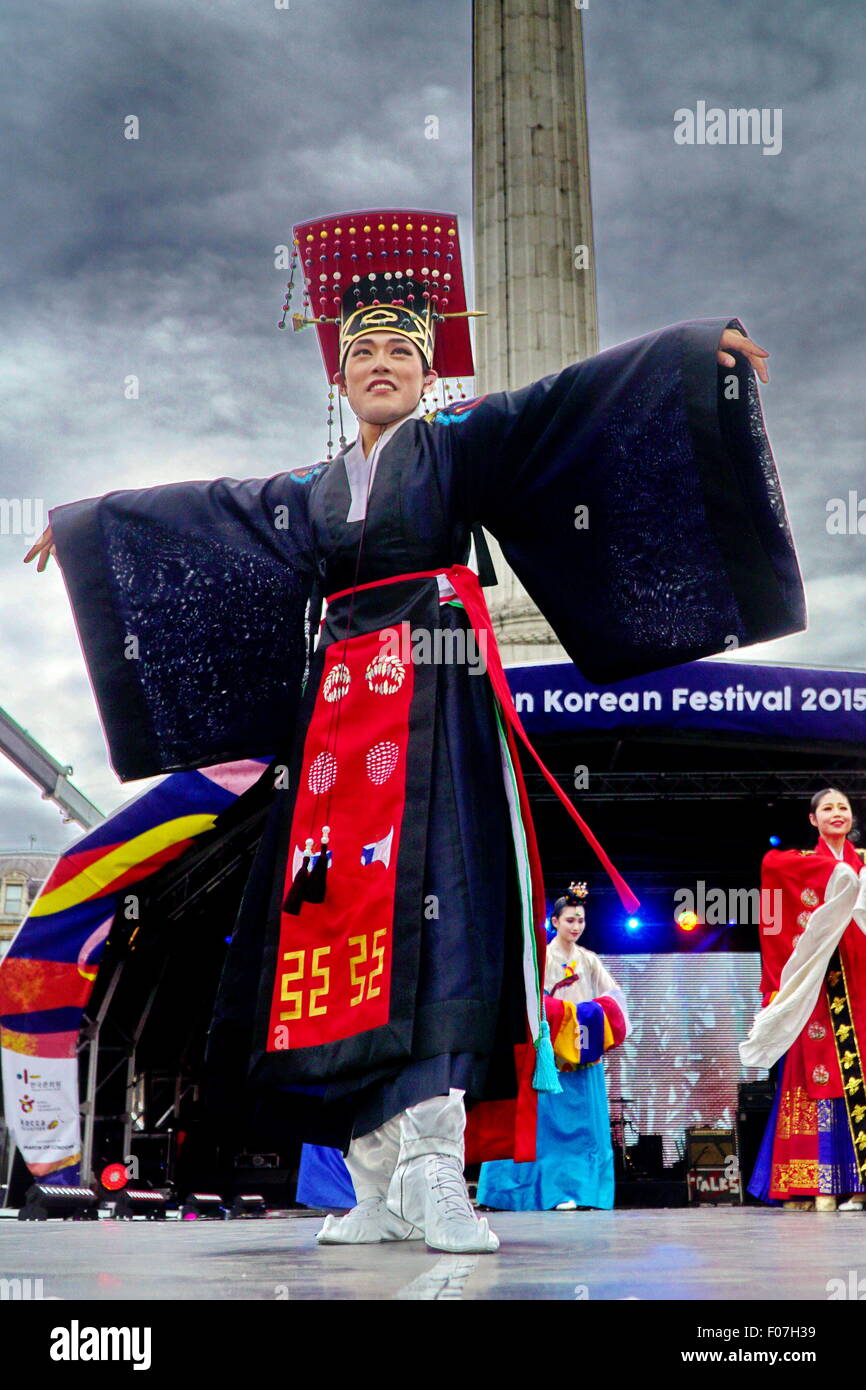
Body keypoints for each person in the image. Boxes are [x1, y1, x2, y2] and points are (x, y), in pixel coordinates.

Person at [26, 206, 804, 1253]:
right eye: (365, 353)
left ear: (425, 372)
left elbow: (564, 403)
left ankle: (438, 1166)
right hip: (337, 734)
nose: (382, 363)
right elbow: (203, 511)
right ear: (340, 378)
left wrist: (690, 356)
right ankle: (373, 1177)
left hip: (432, 706)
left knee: (437, 929)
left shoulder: (459, 445)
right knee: (330, 938)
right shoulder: (308, 491)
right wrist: (84, 531)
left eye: (401, 350)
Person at [741, 788, 866, 1211]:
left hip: (860, 982)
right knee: (816, 1075)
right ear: (813, 820)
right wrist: (834, 875)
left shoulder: (863, 862)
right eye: (827, 808)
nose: (836, 813)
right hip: (819, 985)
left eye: (843, 808)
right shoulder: (798, 861)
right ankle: (817, 1184)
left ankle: (860, 1186)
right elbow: (771, 866)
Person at [476, 884, 628, 1211]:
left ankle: (579, 1191)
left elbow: (614, 998)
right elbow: (529, 1001)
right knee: (538, 1128)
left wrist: (589, 1015)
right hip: (548, 1054)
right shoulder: (541, 958)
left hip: (581, 1053)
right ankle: (516, 1192)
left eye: (581, 921)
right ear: (554, 922)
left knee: (585, 1129)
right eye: (570, 920)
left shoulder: (588, 960)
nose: (576, 926)